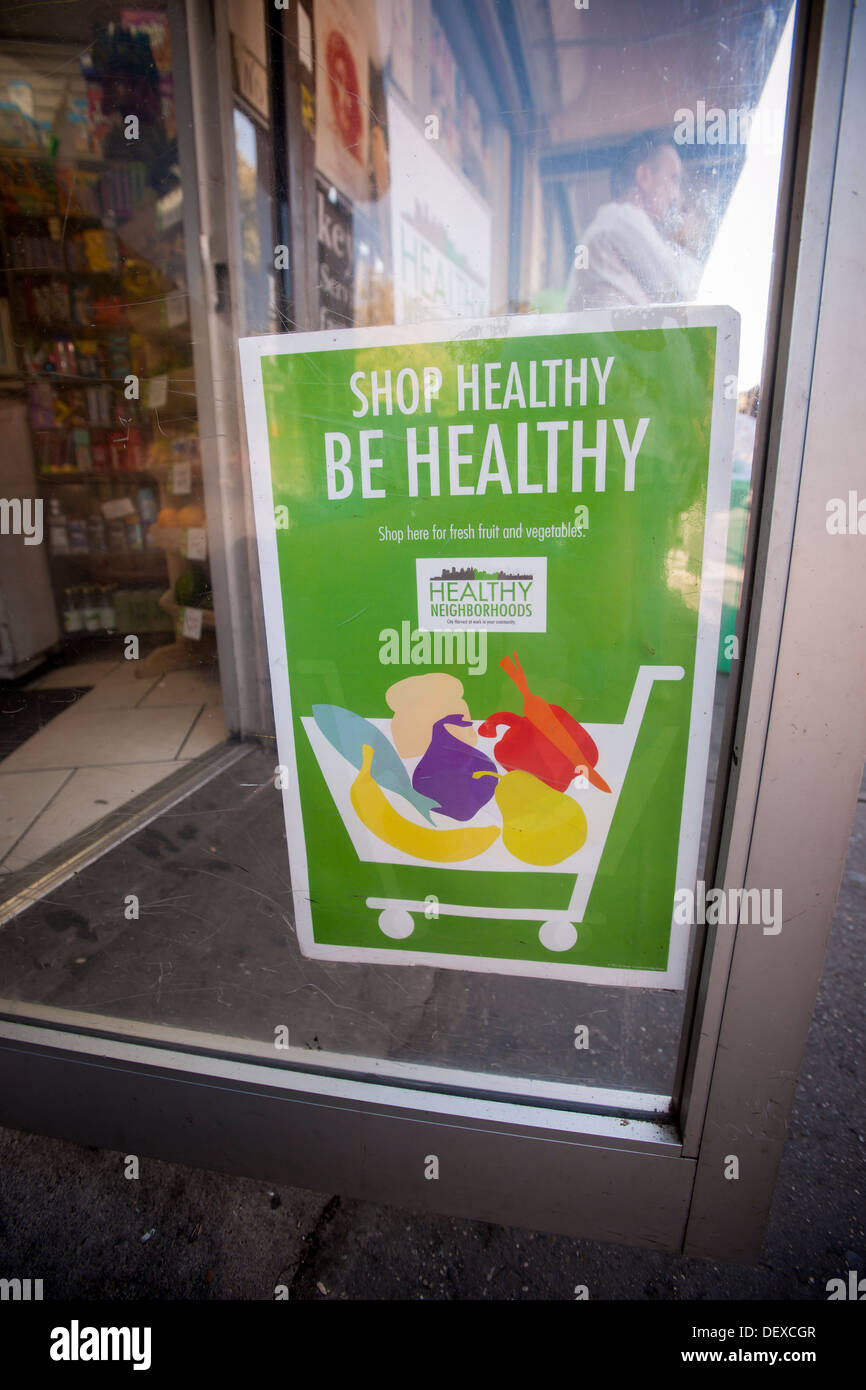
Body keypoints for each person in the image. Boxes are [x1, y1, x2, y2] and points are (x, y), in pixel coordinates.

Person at [565, 138, 701, 310]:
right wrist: (685, 239)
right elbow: (682, 292)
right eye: (674, 179)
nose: (677, 196)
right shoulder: (622, 218)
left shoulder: (611, 222)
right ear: (644, 176)